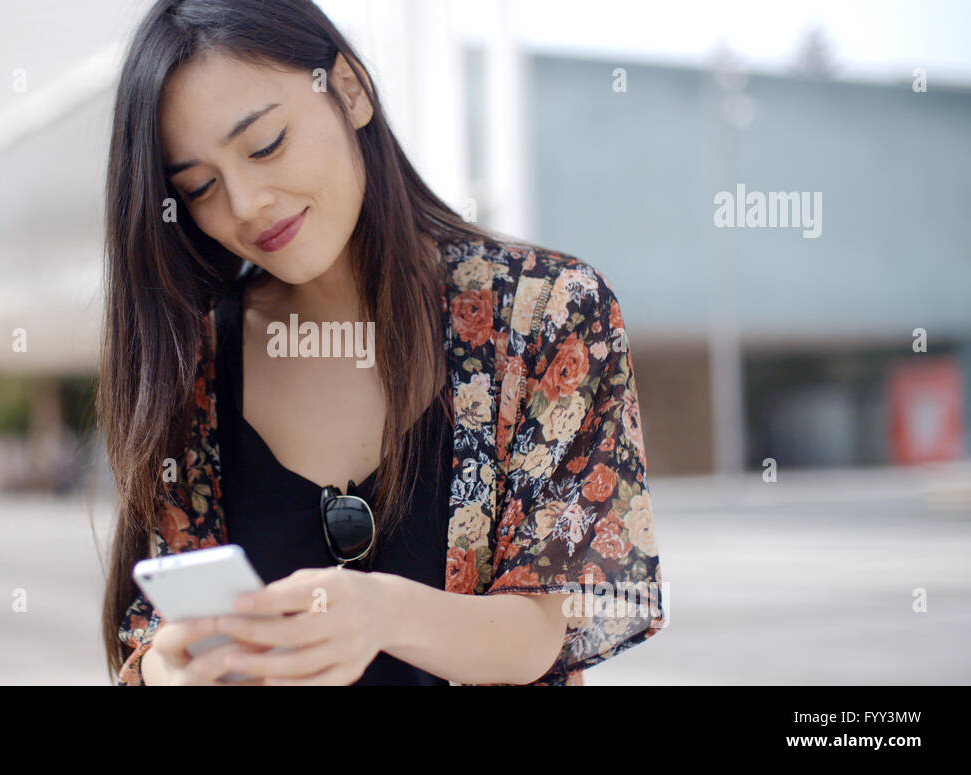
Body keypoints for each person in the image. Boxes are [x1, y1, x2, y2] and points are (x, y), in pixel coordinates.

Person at [99, 0, 664, 685]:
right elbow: (155, 635)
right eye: (199, 187)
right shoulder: (194, 362)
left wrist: (379, 612)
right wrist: (170, 665)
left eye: (266, 144)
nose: (245, 203)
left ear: (350, 89)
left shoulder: (546, 314)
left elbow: (539, 631)